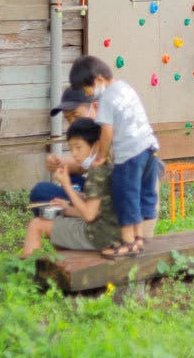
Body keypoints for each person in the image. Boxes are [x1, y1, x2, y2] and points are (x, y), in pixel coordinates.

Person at [68, 55, 161, 260]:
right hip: (149, 148)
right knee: (137, 195)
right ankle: (138, 238)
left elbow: (107, 131)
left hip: (130, 154)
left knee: (124, 196)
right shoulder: (125, 88)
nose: (89, 95)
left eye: (87, 89)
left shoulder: (107, 97)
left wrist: (101, 156)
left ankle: (127, 242)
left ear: (99, 80)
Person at [18, 118, 119, 258]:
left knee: (36, 225)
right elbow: (97, 211)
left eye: (78, 147)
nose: (74, 153)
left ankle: (25, 274)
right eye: (71, 148)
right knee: (61, 222)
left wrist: (66, 184)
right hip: (114, 233)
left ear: (95, 145)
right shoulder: (108, 164)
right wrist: (67, 208)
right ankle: (67, 267)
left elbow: (89, 215)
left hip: (98, 236)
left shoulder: (96, 173)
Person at [27, 87, 96, 214]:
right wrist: (59, 163)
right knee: (71, 176)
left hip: (106, 201)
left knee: (40, 192)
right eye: (68, 119)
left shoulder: (106, 133)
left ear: (95, 107)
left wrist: (71, 206)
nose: (72, 123)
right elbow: (84, 166)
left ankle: (68, 224)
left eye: (75, 116)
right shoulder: (90, 132)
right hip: (97, 192)